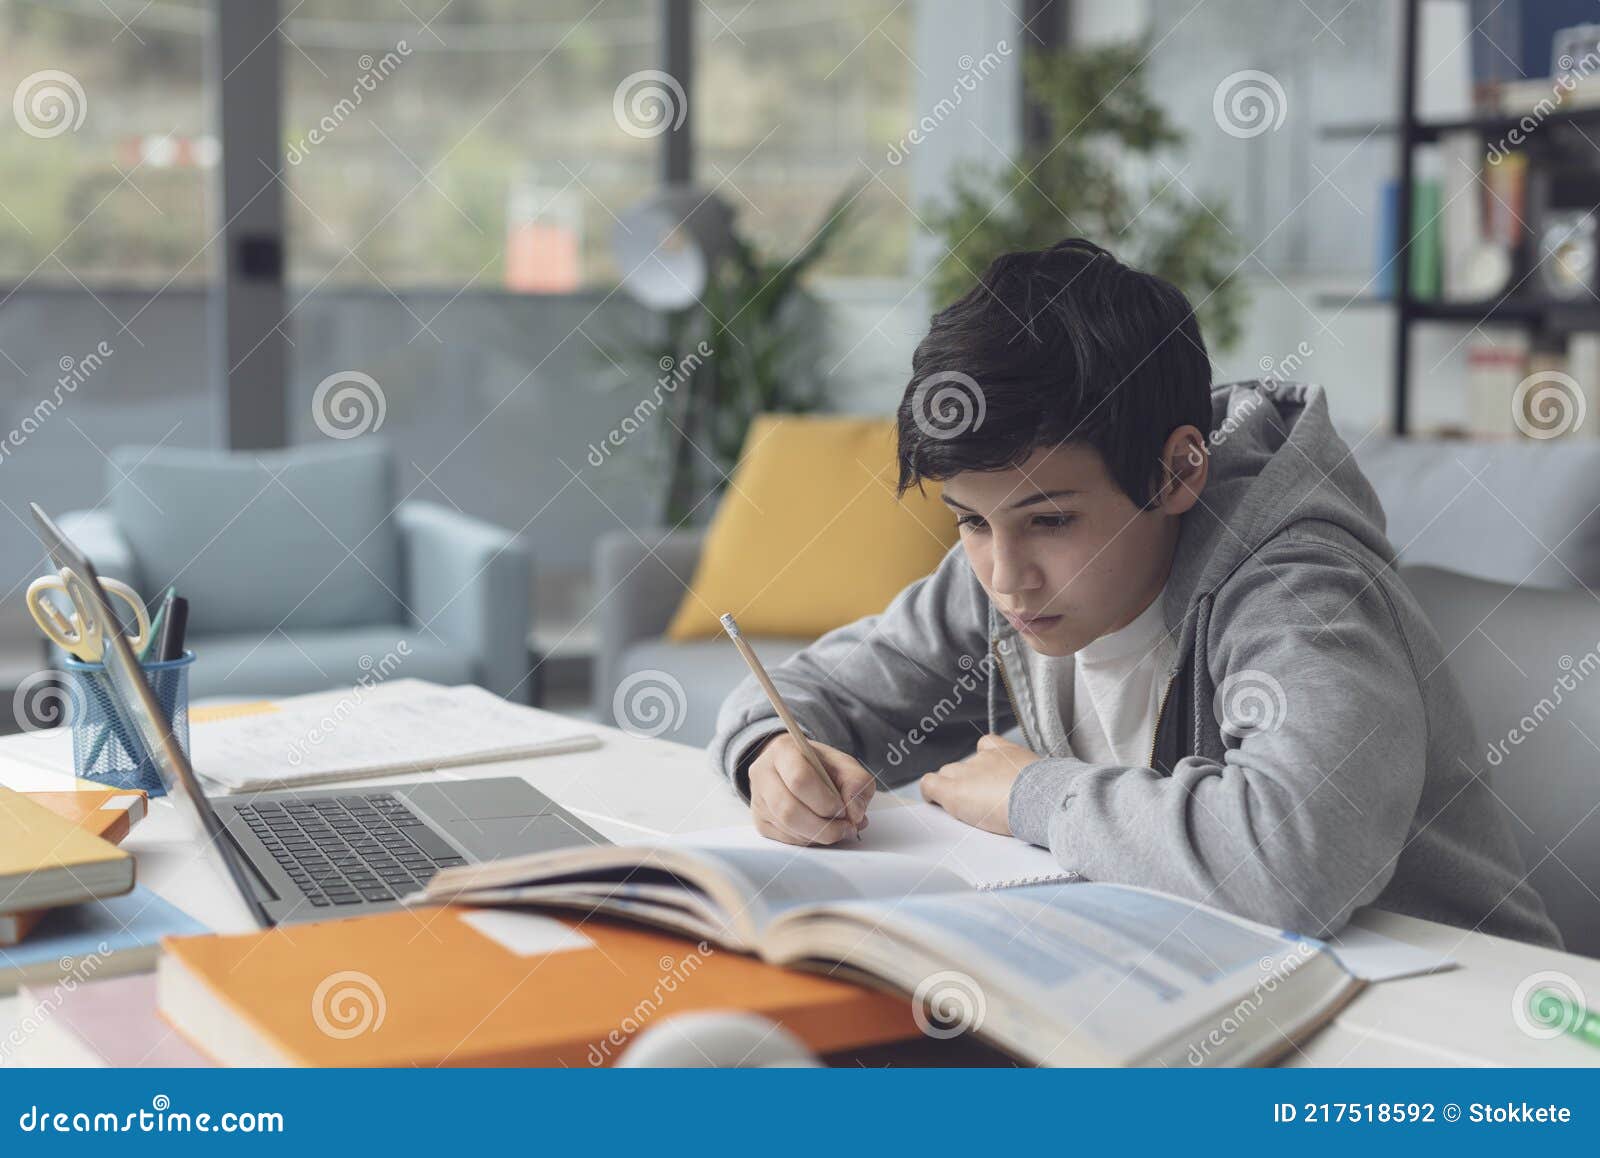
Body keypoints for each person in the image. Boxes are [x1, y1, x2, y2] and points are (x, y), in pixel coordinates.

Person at [706, 237, 1560, 946]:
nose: (1004, 575)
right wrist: (771, 756)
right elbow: (805, 690)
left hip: (1453, 1027)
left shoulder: (1300, 588)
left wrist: (1031, 794)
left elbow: (1296, 859)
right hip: (1205, 976)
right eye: (969, 521)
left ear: (1178, 471)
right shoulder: (1004, 575)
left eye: (1050, 520)